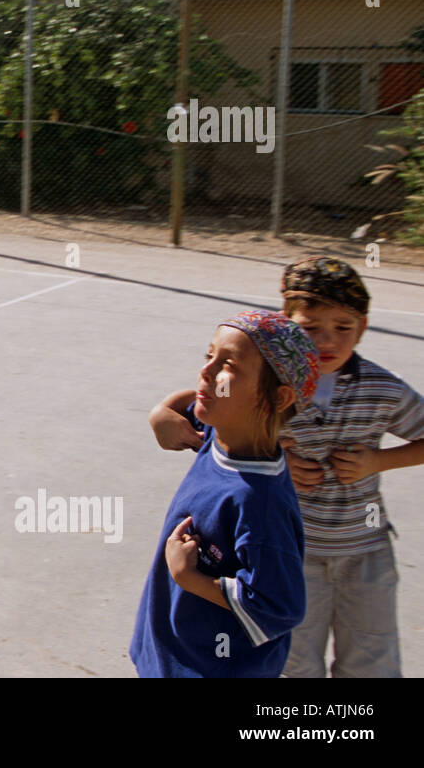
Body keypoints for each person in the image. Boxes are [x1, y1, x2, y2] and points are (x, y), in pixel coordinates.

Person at [137, 310, 320, 677]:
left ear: (279, 397)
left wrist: (189, 579)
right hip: (173, 651)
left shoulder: (259, 504)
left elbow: (279, 607)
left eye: (229, 365)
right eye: (209, 356)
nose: (206, 372)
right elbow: (189, 402)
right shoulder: (221, 431)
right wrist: (162, 412)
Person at [274, 257, 424, 677]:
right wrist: (277, 460)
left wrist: (380, 460)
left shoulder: (383, 388)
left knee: (371, 662)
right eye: (310, 327)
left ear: (363, 326)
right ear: (286, 323)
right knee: (291, 662)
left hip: (365, 551)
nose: (327, 340)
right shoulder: (267, 384)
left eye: (343, 327)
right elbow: (222, 438)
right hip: (288, 550)